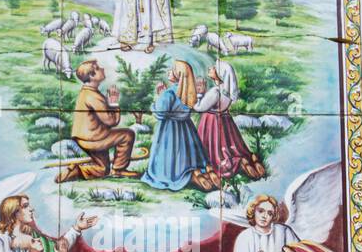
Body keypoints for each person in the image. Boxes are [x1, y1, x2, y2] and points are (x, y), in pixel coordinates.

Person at [142, 60, 219, 192]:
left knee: (172, 159)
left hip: (169, 130)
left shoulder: (169, 93)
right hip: (186, 129)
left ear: (178, 75)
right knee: (187, 155)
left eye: (172, 71)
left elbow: (160, 112)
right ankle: (201, 172)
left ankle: (188, 176)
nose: (169, 72)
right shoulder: (188, 92)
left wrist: (159, 97)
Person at [56, 60, 137, 182]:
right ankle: (119, 169)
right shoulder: (93, 96)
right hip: (94, 139)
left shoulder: (86, 92)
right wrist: (114, 103)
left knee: (103, 169)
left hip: (86, 137)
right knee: (127, 135)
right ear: (92, 75)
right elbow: (111, 121)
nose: (102, 69)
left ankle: (76, 171)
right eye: (98, 68)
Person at [194, 60, 264, 179]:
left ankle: (235, 163)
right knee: (229, 147)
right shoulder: (227, 92)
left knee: (214, 152)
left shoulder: (215, 91)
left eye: (214, 68)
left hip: (211, 124)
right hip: (225, 122)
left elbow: (199, 108)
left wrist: (199, 95)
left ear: (220, 74)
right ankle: (245, 161)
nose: (210, 68)